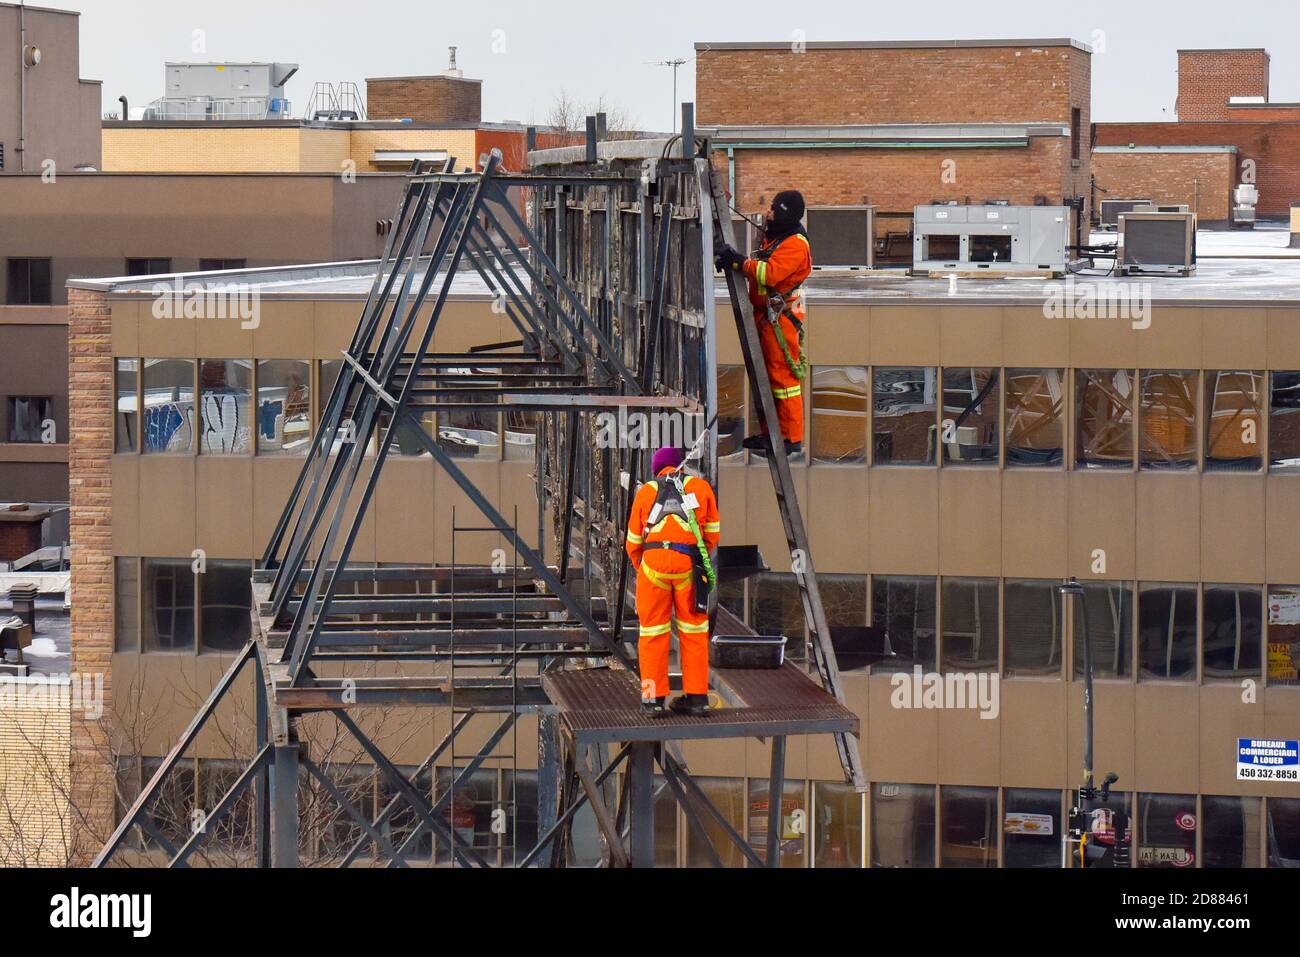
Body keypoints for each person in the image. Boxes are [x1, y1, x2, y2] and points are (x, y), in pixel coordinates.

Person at [625, 446, 720, 717]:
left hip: (654, 565)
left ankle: (653, 699)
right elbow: (712, 535)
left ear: (657, 470)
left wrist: (643, 567)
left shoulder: (645, 492)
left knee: (653, 633)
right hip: (689, 566)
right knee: (693, 631)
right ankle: (697, 698)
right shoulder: (700, 489)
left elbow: (632, 542)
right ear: (680, 466)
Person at [715, 189, 811, 455]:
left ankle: (790, 437)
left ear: (783, 214)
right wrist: (736, 264)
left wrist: (739, 262)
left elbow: (769, 274)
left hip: (779, 320)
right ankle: (774, 434)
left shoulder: (795, 244)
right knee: (770, 379)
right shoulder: (779, 238)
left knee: (784, 381)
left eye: (773, 209)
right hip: (768, 317)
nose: (767, 212)